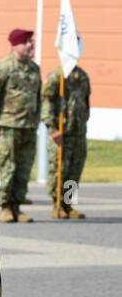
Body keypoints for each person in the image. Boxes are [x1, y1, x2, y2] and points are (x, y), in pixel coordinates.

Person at [0, 28, 41, 222]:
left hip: (29, 125)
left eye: (30, 42)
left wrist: (37, 119)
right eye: (26, 42)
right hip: (8, 124)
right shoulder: (4, 66)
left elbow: (37, 97)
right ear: (14, 44)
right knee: (7, 165)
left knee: (24, 167)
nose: (29, 45)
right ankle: (5, 205)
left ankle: (17, 205)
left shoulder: (34, 68)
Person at [42, 58, 90, 219]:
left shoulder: (82, 76)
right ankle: (57, 204)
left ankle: (68, 204)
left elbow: (85, 102)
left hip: (78, 131)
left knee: (75, 169)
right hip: (61, 132)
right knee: (59, 168)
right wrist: (52, 127)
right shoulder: (57, 76)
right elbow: (46, 101)